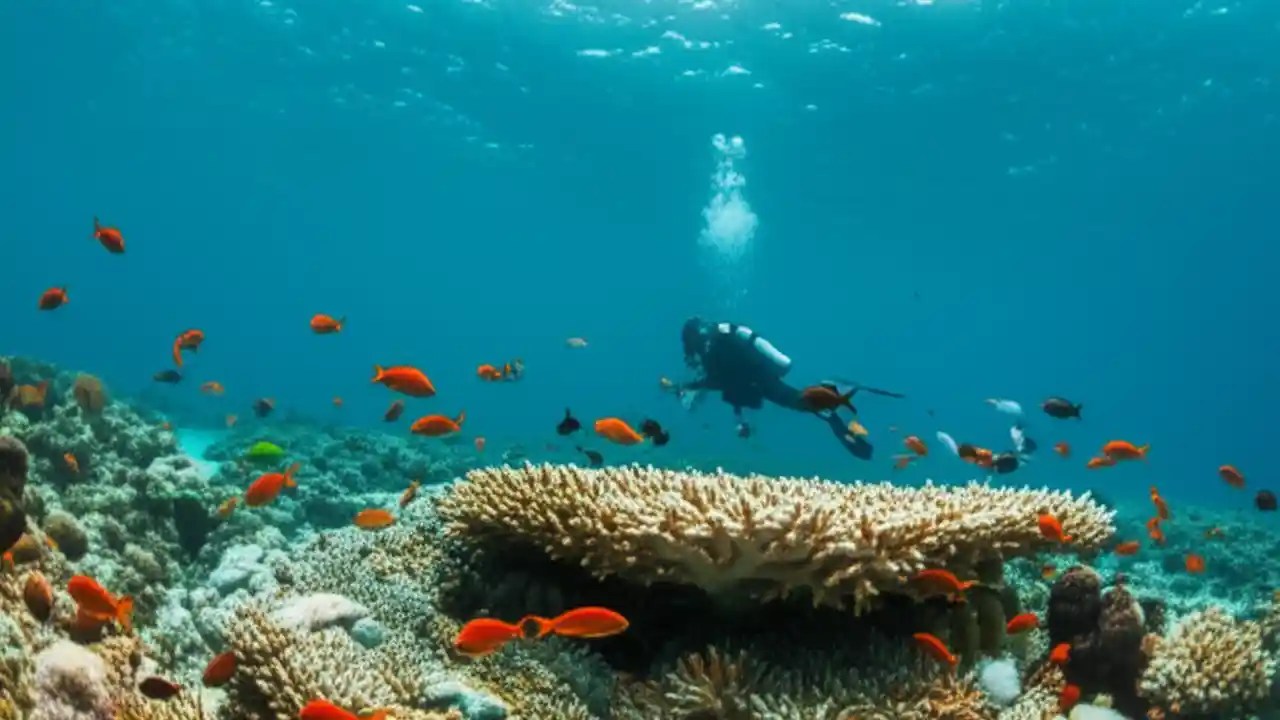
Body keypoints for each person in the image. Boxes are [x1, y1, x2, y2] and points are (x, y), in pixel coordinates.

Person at [675, 316, 904, 460]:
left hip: (758, 379)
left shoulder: (712, 349)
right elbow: (730, 385)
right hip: (756, 379)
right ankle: (833, 401)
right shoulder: (718, 341)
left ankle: (833, 394)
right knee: (796, 401)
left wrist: (691, 385)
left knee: (796, 400)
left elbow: (722, 381)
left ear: (693, 339)